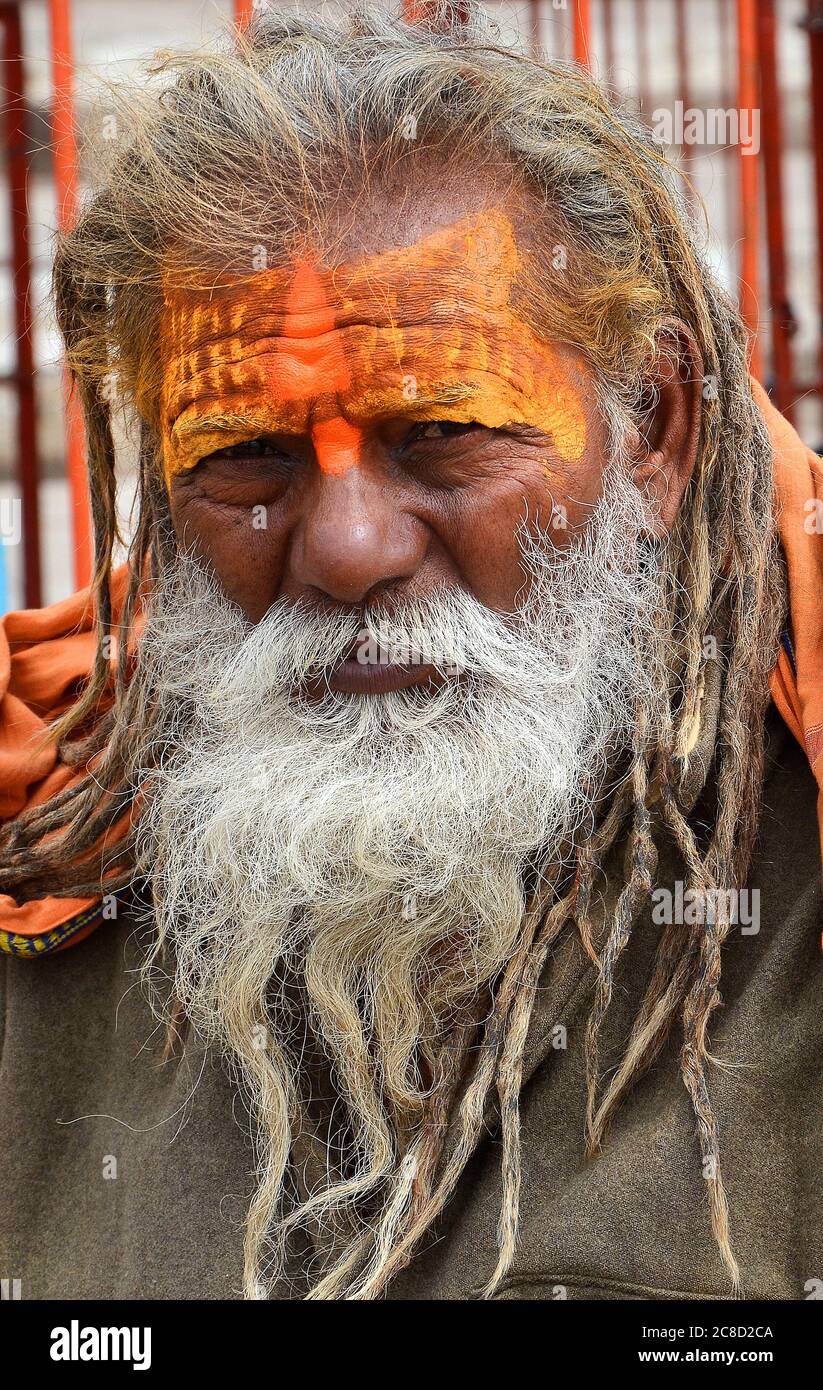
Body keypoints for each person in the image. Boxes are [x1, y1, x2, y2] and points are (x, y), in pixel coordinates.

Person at [1, 2, 821, 1301]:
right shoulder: (43, 863)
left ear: (653, 430)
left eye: (442, 431)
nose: (348, 548)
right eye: (243, 456)